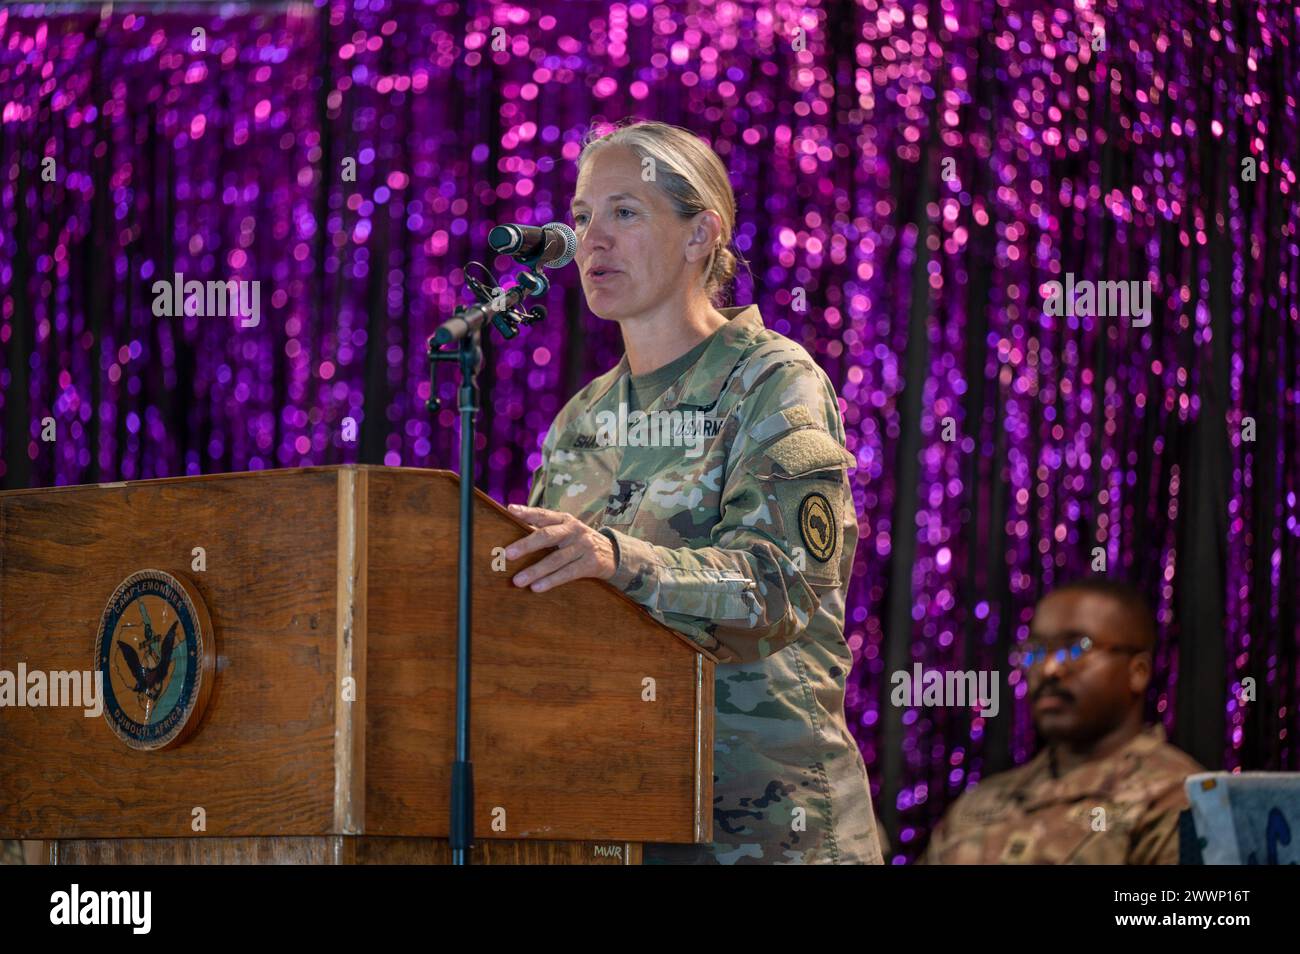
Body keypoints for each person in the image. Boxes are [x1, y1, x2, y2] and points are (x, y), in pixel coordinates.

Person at [503, 120, 882, 864]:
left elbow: (778, 590)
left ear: (700, 233)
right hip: (625, 819)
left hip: (768, 833)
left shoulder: (773, 381)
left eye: (624, 212)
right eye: (582, 216)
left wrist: (619, 562)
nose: (592, 240)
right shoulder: (583, 418)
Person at [922, 579, 1204, 864]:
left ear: (1138, 672)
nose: (1049, 669)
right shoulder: (980, 803)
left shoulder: (1178, 798)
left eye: (1077, 648)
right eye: (1036, 651)